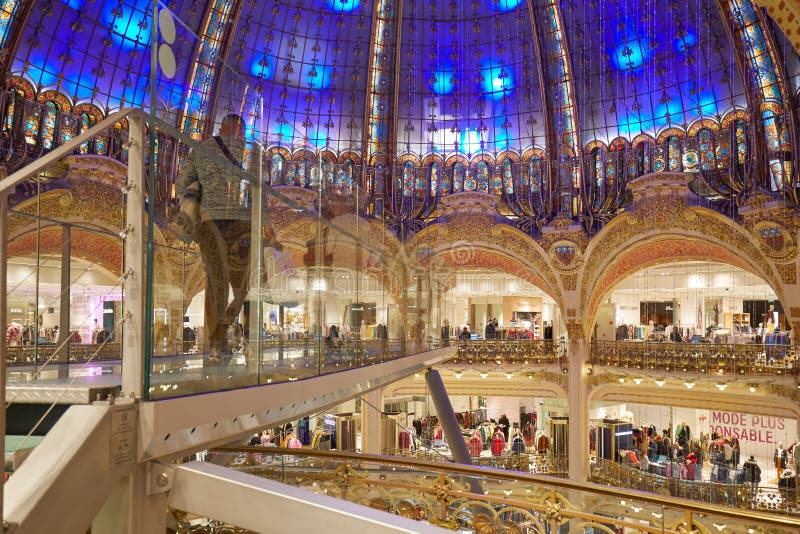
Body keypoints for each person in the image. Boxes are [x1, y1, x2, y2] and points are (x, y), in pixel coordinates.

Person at [177, 114, 281, 364]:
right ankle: (236, 335)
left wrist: (195, 195)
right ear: (241, 130)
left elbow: (182, 183)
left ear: (221, 128)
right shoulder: (251, 151)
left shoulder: (201, 149)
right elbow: (258, 192)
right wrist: (266, 226)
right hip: (242, 225)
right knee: (244, 285)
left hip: (210, 224)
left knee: (215, 284)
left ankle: (217, 346)